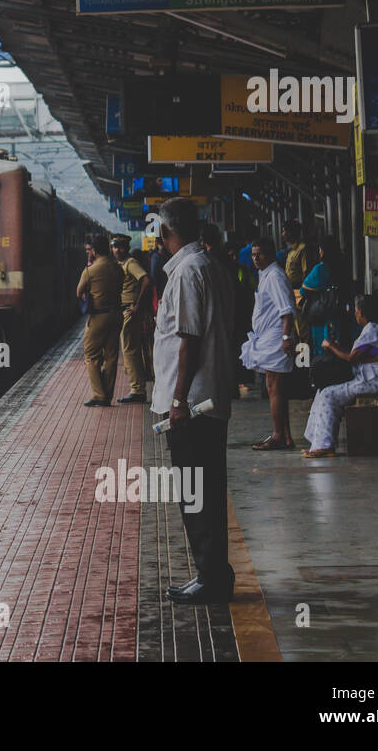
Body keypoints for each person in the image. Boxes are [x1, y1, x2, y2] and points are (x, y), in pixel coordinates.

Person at [151, 197, 237, 604]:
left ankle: (211, 577)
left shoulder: (187, 272)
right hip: (210, 398)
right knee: (207, 488)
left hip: (193, 405)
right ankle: (215, 573)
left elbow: (189, 339)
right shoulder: (210, 266)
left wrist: (179, 399)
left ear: (167, 232)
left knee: (195, 491)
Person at [302, 294, 378, 458]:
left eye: (356, 311)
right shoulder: (376, 327)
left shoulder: (372, 329)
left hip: (374, 381)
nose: (355, 314)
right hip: (370, 378)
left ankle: (324, 445)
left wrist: (331, 346)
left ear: (362, 313)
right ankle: (317, 441)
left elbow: (352, 357)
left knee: (328, 395)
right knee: (322, 390)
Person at [240, 238, 297, 450]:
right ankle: (286, 436)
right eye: (253, 254)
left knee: (274, 388)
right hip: (269, 337)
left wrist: (285, 337)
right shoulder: (266, 275)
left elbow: (287, 310)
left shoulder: (274, 276)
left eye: (260, 254)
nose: (255, 258)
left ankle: (277, 435)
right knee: (277, 389)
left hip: (276, 339)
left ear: (271, 254)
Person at [77, 234, 124, 407]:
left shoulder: (90, 270)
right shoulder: (117, 268)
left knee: (91, 355)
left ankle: (99, 394)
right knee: (111, 356)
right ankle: (108, 394)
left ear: (95, 251)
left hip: (98, 317)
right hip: (117, 315)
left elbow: (79, 291)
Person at [111, 235, 151, 404]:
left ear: (126, 248)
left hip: (129, 310)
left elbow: (146, 280)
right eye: (114, 247)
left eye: (120, 247)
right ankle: (136, 387)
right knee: (128, 349)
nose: (116, 250)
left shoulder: (130, 263)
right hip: (125, 310)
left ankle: (138, 390)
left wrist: (137, 305)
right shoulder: (121, 265)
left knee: (129, 349)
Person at [298, 236, 351, 360]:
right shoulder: (344, 266)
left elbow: (303, 291)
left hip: (323, 316)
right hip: (343, 314)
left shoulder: (320, 269)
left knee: (322, 350)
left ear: (322, 251)